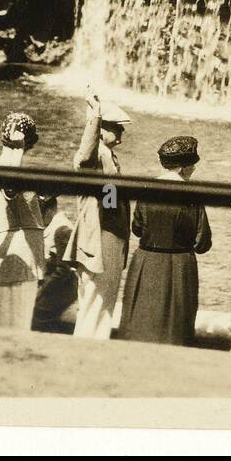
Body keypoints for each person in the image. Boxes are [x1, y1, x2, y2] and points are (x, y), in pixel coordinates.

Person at [120, 136, 213, 347]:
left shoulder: (147, 189)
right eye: (192, 166)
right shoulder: (192, 195)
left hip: (145, 262)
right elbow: (202, 243)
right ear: (182, 168)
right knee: (176, 326)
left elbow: (136, 229)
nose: (194, 170)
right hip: (179, 267)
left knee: (140, 322)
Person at [63, 91, 132, 340]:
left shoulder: (110, 156)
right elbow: (84, 157)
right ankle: (87, 350)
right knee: (96, 300)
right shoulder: (94, 156)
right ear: (102, 129)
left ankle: (93, 346)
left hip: (111, 237)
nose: (122, 134)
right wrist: (94, 119)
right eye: (117, 128)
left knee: (102, 301)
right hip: (99, 238)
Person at [0, 112, 52, 331]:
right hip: (18, 259)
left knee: (0, 321)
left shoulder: (2, 163)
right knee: (15, 325)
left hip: (14, 256)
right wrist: (19, 149)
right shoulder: (8, 164)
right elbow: (10, 189)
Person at [32, 212, 79, 333]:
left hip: (64, 285)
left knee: (38, 312)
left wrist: (42, 290)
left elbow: (64, 270)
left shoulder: (62, 229)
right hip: (56, 281)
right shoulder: (54, 226)